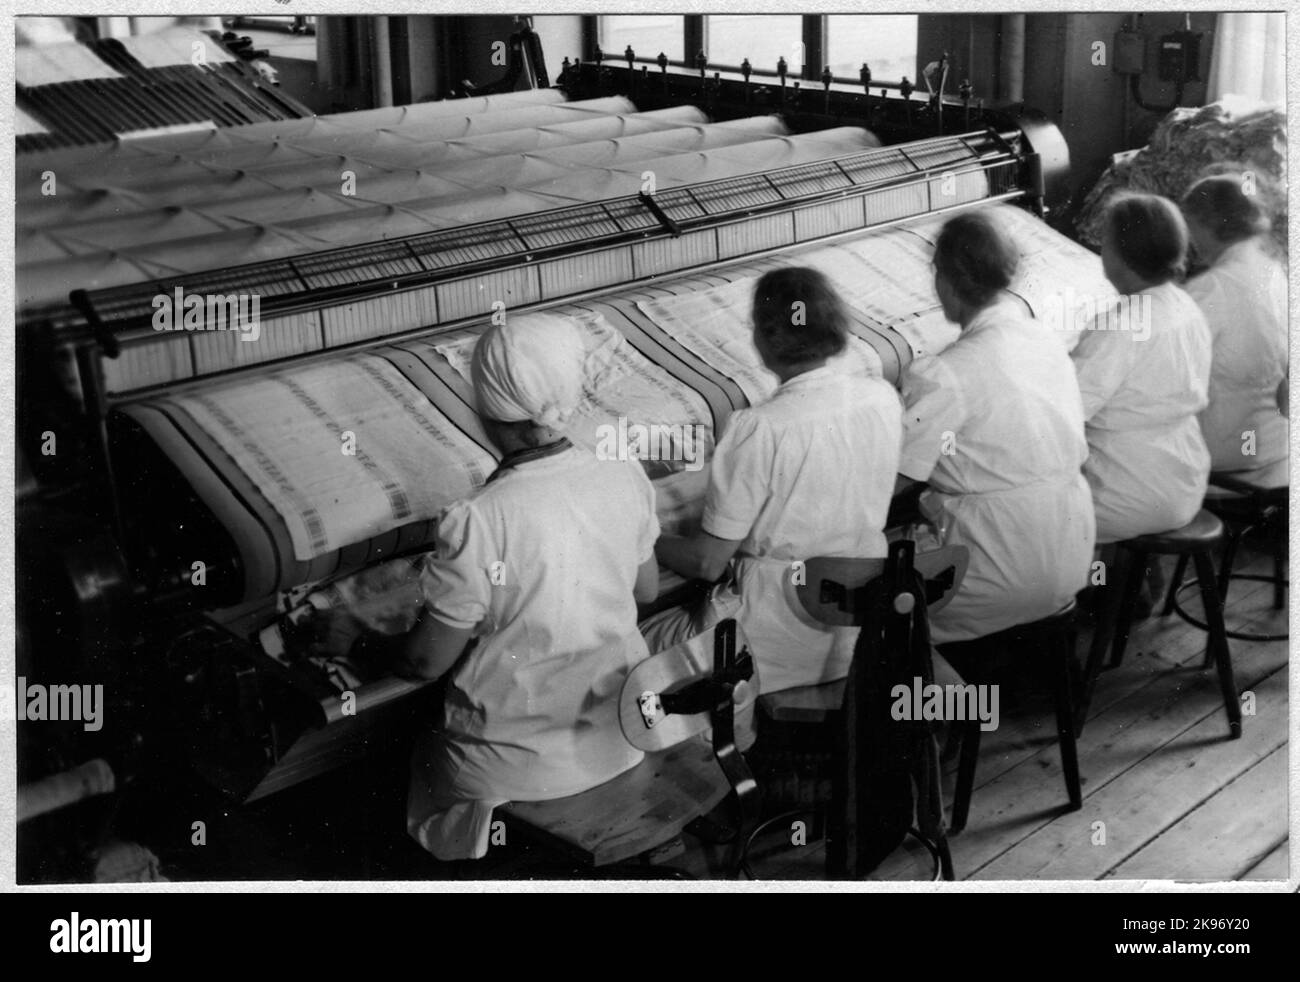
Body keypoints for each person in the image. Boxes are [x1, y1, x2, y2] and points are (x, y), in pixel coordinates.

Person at [402, 312, 659, 861]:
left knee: (409, 745)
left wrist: (354, 640)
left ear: (484, 409)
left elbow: (425, 662)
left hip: (516, 772)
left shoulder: (478, 518)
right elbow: (647, 590)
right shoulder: (621, 471)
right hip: (622, 737)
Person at [648, 267, 903, 695]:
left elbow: (707, 563)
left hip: (772, 640)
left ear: (765, 339)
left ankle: (732, 740)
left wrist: (648, 537)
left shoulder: (757, 428)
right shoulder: (881, 397)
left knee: (637, 651)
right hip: (860, 631)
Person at [896, 210, 1095, 644]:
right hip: (1070, 559)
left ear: (944, 281)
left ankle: (935, 699)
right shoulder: (1046, 340)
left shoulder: (943, 373)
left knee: (872, 590)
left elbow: (895, 482)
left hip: (988, 579)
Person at [1072, 193, 1213, 543]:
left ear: (1121, 255)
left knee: (1017, 511)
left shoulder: (1120, 325)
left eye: (1105, 242)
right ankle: (1136, 587)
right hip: (1185, 484)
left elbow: (1068, 410)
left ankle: (1097, 593)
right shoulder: (1185, 306)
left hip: (1123, 496)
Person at [1180, 174, 1288, 483]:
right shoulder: (1276, 274)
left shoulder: (1211, 289)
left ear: (1205, 224)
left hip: (1230, 455)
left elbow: (1165, 371)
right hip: (1275, 446)